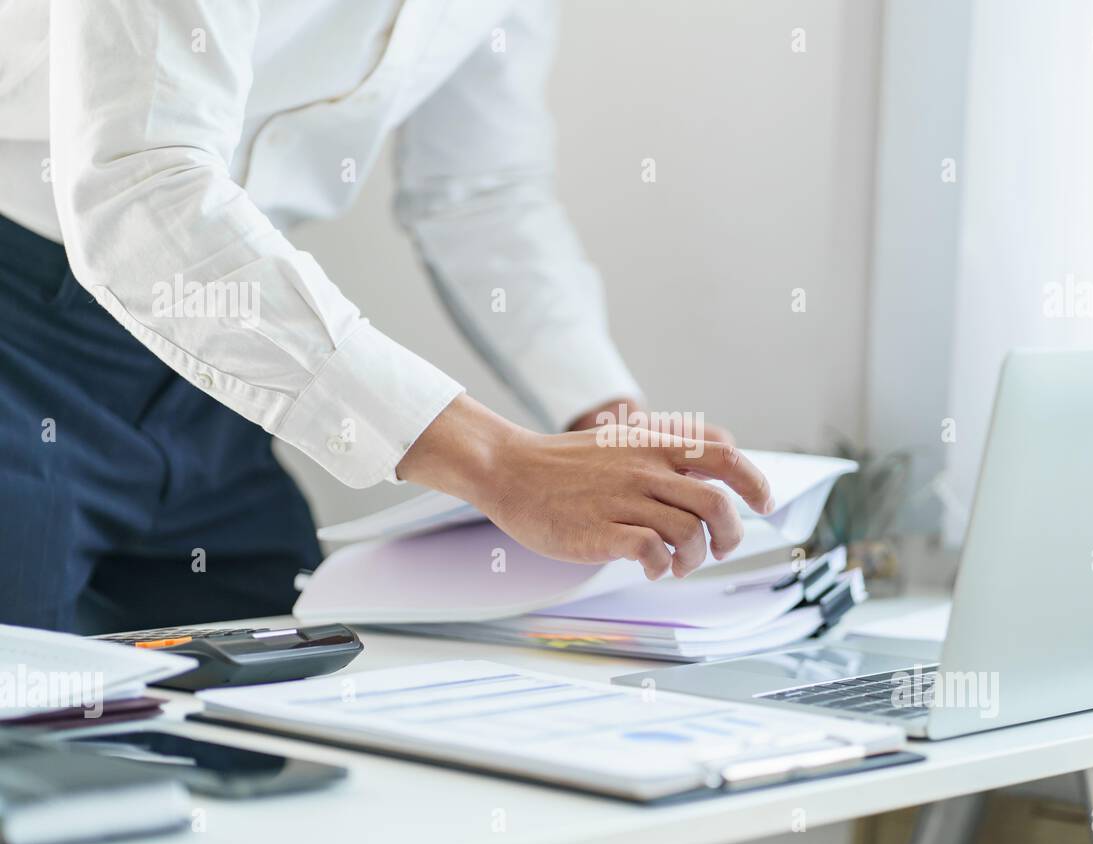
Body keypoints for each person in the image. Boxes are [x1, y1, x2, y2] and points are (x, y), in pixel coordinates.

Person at [0, 0, 772, 633]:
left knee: (281, 714)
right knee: (28, 743)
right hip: (23, 324)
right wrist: (495, 462)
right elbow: (143, 190)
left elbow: (481, 190)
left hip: (231, 355)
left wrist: (611, 427)